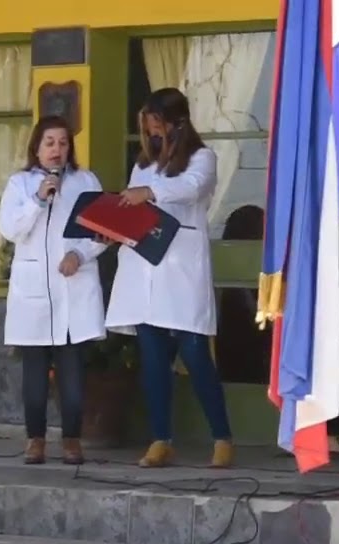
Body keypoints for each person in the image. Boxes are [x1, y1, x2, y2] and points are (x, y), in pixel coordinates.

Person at [105, 88, 233, 468]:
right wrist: (110, 228)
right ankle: (161, 439)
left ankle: (222, 436)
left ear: (179, 122)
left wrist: (150, 192)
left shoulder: (202, 158)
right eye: (149, 128)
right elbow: (132, 205)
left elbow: (191, 189)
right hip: (142, 270)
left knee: (195, 355)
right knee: (153, 360)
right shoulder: (143, 165)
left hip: (181, 271)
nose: (154, 134)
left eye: (159, 126)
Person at [0, 115, 107, 465]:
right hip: (34, 293)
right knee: (34, 376)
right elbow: (10, 229)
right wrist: (37, 199)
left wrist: (80, 253)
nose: (56, 150)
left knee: (72, 374)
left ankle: (72, 439)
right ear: (36, 146)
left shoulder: (85, 181)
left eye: (62, 143)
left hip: (73, 288)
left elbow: (102, 233)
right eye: (49, 143)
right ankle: (36, 440)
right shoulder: (20, 184)